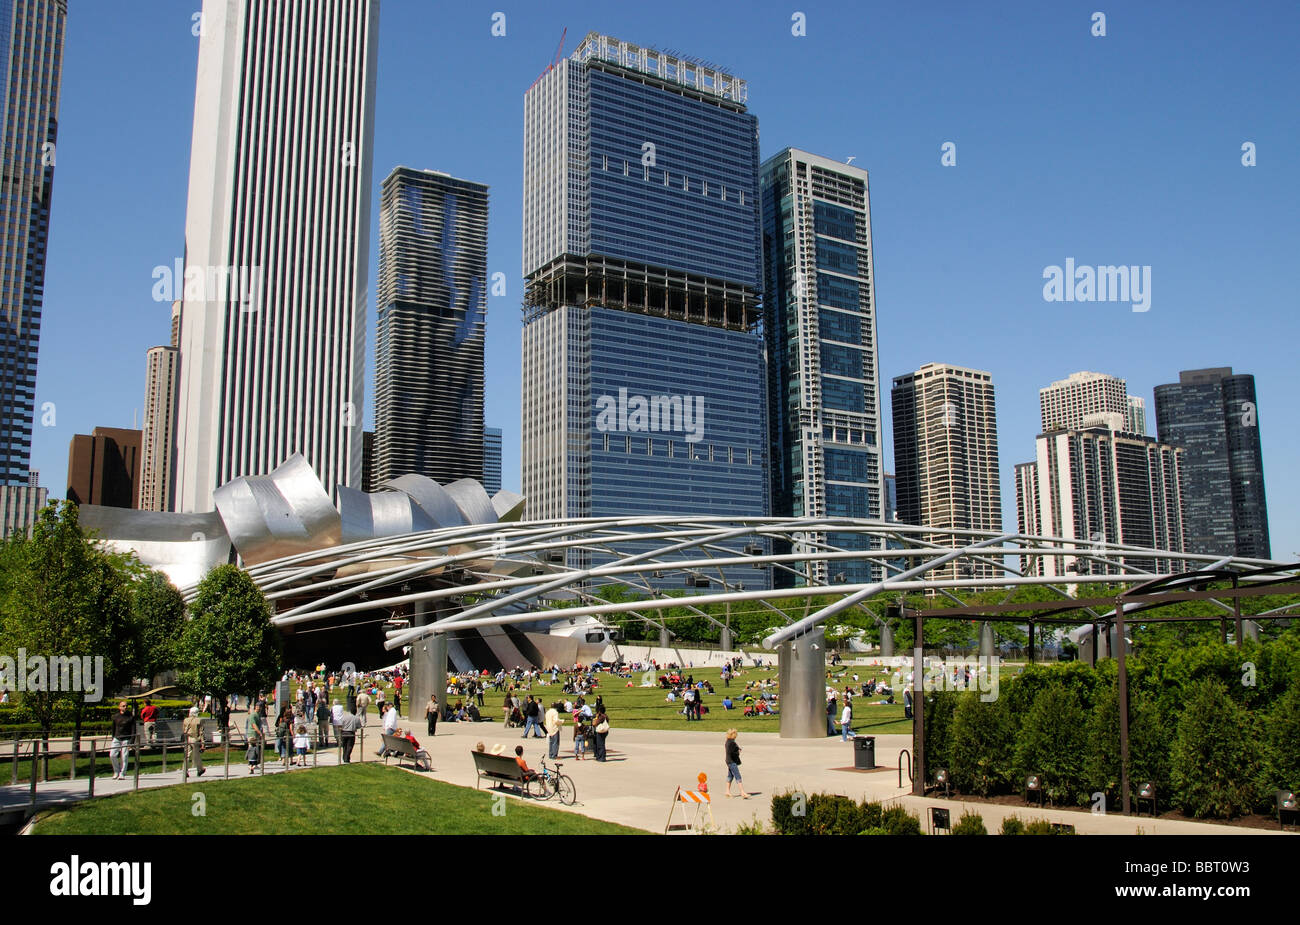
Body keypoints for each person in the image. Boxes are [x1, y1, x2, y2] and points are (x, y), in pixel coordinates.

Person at [109, 701, 136, 780]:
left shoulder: (130, 717)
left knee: (124, 757)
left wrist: (131, 742)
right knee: (112, 755)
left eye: (126, 706)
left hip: (126, 739)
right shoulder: (115, 717)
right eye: (123, 706)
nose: (125, 707)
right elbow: (113, 728)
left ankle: (122, 773)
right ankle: (116, 771)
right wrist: (113, 738)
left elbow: (133, 730)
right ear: (119, 707)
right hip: (117, 738)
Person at [724, 729, 749, 798]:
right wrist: (738, 752)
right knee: (738, 776)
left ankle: (727, 791)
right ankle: (742, 792)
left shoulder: (727, 742)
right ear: (733, 735)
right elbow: (733, 753)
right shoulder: (732, 743)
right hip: (732, 761)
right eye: (735, 734)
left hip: (728, 761)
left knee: (730, 776)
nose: (736, 735)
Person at [183, 706, 206, 777]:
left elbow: (184, 730)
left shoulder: (186, 720)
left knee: (187, 755)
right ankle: (200, 769)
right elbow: (201, 732)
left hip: (187, 738)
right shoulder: (199, 720)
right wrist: (203, 744)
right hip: (195, 738)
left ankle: (185, 770)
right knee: (196, 755)